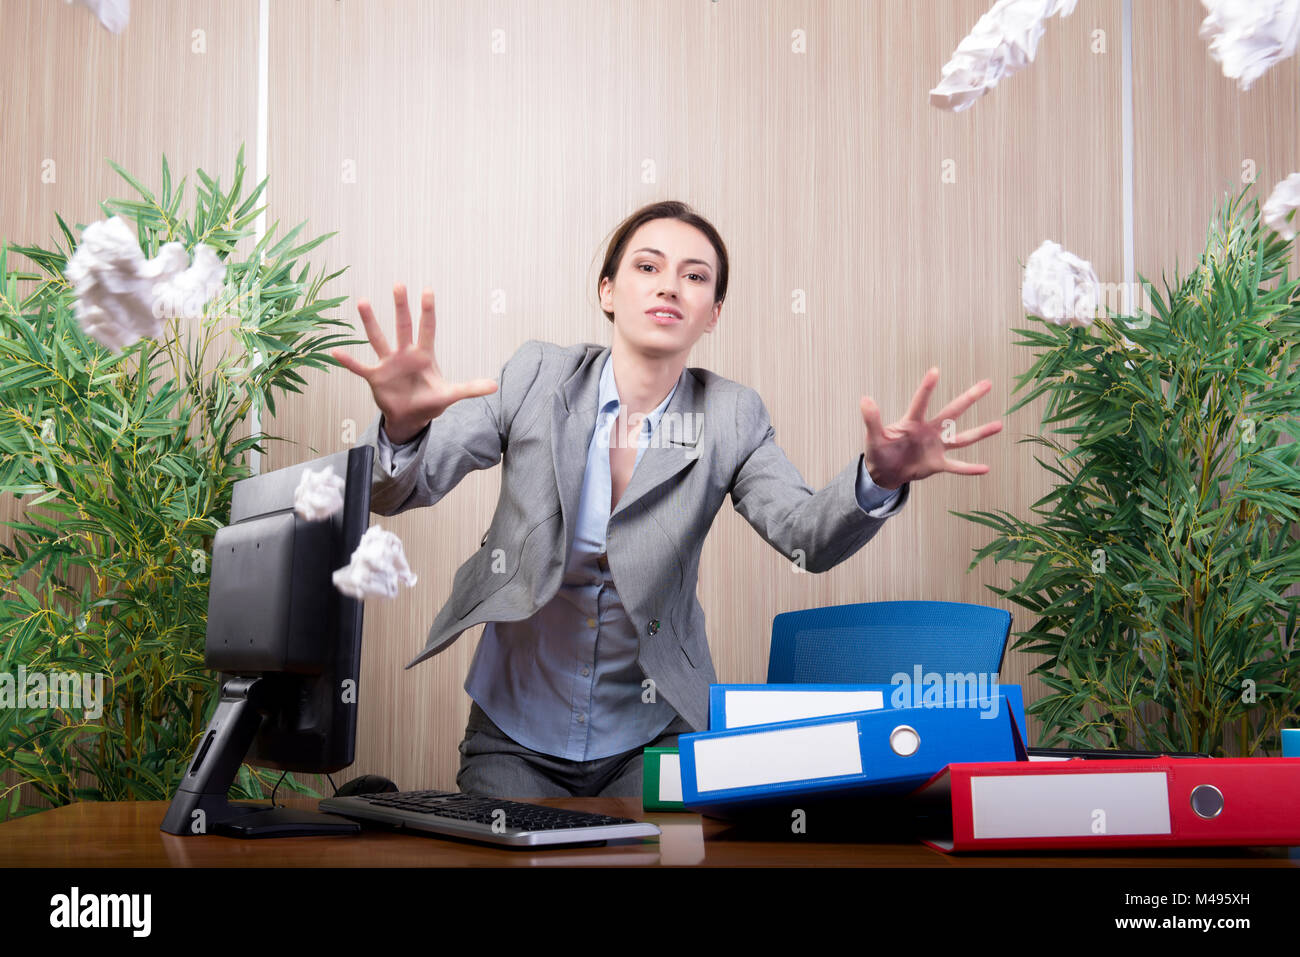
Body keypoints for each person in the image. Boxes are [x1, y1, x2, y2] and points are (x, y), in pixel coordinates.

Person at [330, 200, 1002, 798]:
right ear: (608, 291)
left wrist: (879, 477)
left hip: (655, 730)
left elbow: (806, 537)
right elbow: (399, 487)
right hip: (514, 728)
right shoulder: (536, 375)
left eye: (695, 275)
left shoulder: (732, 415)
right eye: (648, 266)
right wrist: (403, 427)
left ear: (712, 314)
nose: (669, 285)